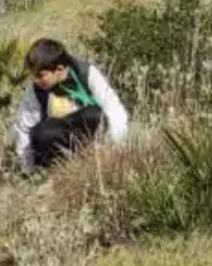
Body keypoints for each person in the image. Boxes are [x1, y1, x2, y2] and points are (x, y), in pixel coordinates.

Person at [12, 39, 129, 173]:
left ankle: (91, 163)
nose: (36, 80)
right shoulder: (36, 89)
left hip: (91, 139)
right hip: (55, 140)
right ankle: (56, 171)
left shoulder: (87, 73)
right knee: (40, 133)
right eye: (33, 75)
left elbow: (115, 110)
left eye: (40, 75)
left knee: (94, 114)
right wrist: (27, 169)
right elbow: (25, 128)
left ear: (60, 70)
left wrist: (115, 149)